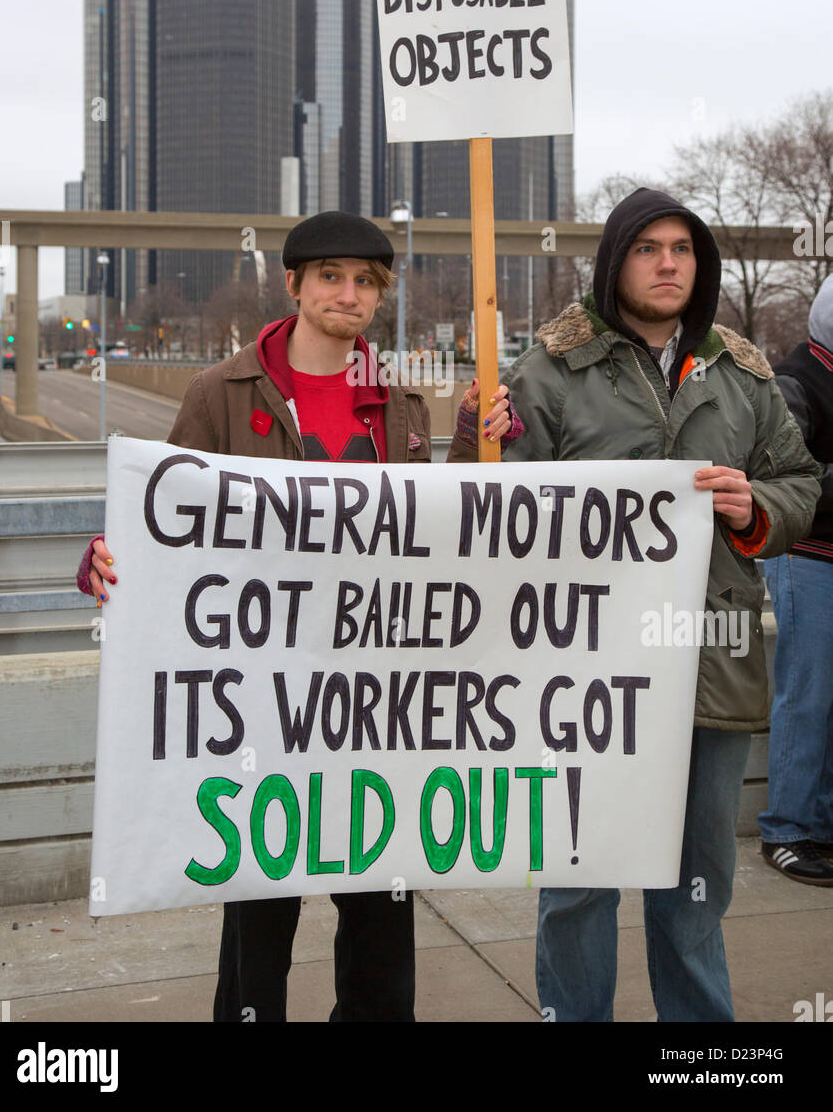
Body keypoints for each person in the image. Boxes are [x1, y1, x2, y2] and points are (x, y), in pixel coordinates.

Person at [77, 209, 509, 1022]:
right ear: (295, 285)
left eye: (366, 282)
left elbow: (436, 534)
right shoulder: (222, 393)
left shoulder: (401, 402)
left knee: (382, 911)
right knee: (259, 915)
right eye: (332, 277)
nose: (350, 294)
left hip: (379, 703)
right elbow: (166, 516)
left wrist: (476, 446)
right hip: (264, 701)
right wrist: (105, 556)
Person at [452, 187, 821, 1022]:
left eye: (682, 249)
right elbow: (487, 514)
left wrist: (755, 507)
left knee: (695, 892)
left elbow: (801, 482)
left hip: (708, 665)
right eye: (648, 248)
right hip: (581, 676)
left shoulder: (742, 372)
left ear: (701, 264)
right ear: (615, 261)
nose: (666, 263)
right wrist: (471, 437)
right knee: (578, 885)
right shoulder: (548, 370)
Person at [758, 274, 833, 885]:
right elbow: (784, 473)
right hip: (803, 554)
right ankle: (786, 829)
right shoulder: (795, 380)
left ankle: (823, 825)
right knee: (806, 696)